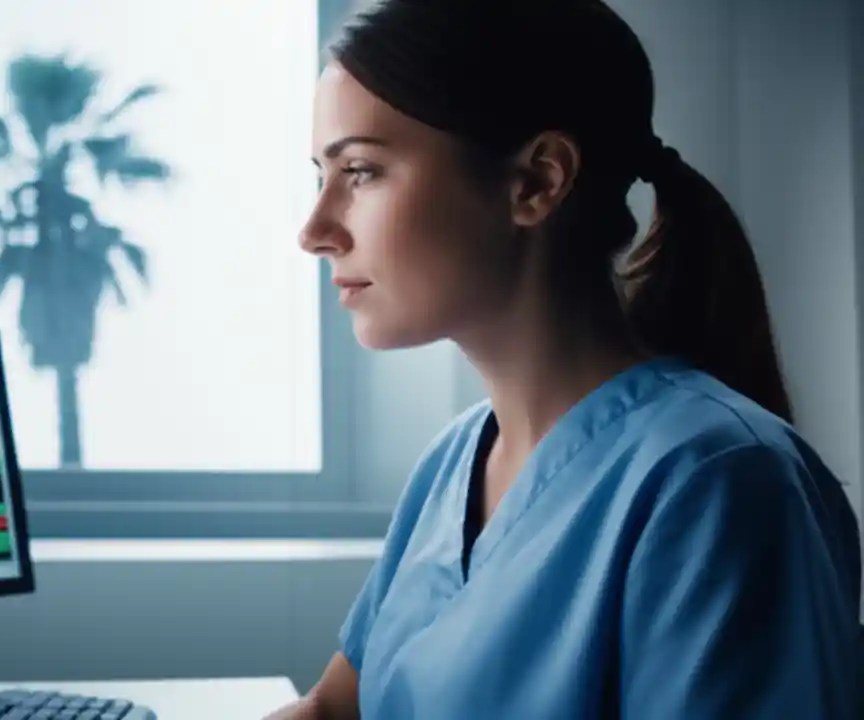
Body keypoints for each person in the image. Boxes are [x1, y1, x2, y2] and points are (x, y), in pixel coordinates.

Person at [267, 0, 862, 718]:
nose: (315, 230)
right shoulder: (451, 463)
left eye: (361, 171)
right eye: (322, 175)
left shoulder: (719, 481)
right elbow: (335, 708)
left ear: (538, 182)